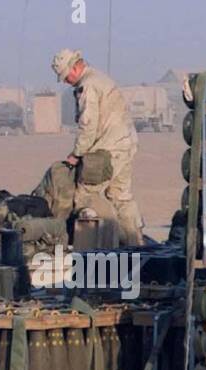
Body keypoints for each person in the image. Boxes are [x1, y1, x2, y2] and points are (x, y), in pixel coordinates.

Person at [51, 48, 143, 245]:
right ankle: (136, 246)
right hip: (125, 145)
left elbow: (88, 125)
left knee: (85, 196)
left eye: (66, 76)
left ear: (75, 67)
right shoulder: (100, 78)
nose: (66, 81)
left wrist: (76, 154)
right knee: (121, 197)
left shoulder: (88, 86)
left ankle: (87, 251)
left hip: (106, 151)